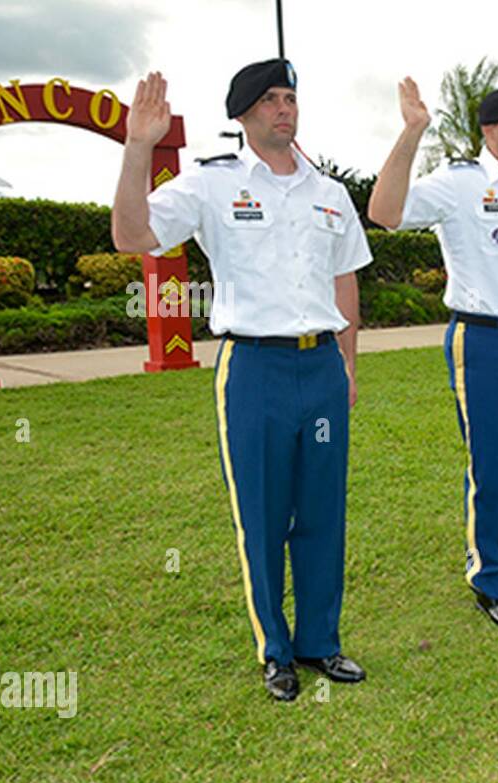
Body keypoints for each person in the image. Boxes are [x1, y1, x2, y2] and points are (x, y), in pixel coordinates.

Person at [111, 61, 374, 701]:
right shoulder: (211, 184)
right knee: (261, 515)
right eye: (270, 101)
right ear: (242, 116)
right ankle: (275, 651)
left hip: (320, 367)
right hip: (253, 369)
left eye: (290, 98)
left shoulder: (329, 193)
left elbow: (345, 280)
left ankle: (320, 642)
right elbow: (130, 234)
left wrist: (348, 365)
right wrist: (139, 146)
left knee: (321, 512)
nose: (285, 109)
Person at [368, 81, 498, 628]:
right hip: (483, 341)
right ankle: (490, 581)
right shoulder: (459, 184)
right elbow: (384, 211)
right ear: (489, 131)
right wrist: (412, 132)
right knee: (492, 463)